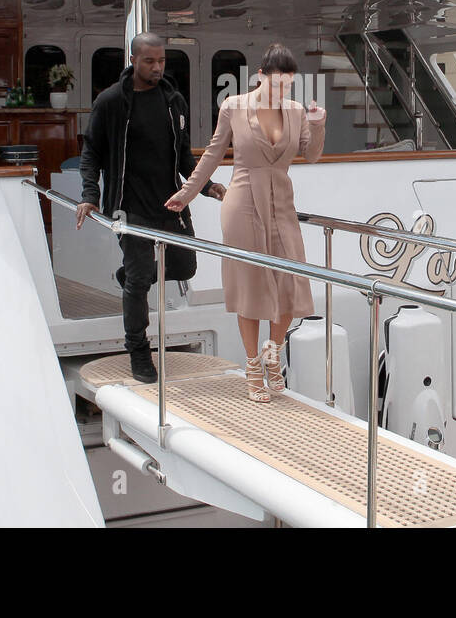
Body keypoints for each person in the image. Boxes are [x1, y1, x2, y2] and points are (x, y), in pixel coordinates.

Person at [165, 44, 326, 402]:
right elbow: (211, 154)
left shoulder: (297, 110)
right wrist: (188, 193)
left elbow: (311, 154)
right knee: (250, 288)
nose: (282, 91)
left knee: (290, 282)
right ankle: (253, 367)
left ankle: (272, 356)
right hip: (242, 203)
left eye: (288, 84)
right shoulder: (234, 106)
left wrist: (318, 124)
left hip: (282, 202)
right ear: (260, 77)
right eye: (276, 83)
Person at [76, 33, 227, 382]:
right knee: (143, 277)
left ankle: (129, 275)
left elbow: (183, 157)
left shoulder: (173, 100)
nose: (157, 67)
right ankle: (138, 350)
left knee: (184, 266)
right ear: (133, 59)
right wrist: (89, 195)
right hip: (129, 206)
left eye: (161, 60)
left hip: (170, 203)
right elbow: (91, 153)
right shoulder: (111, 101)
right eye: (149, 61)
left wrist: (205, 187)